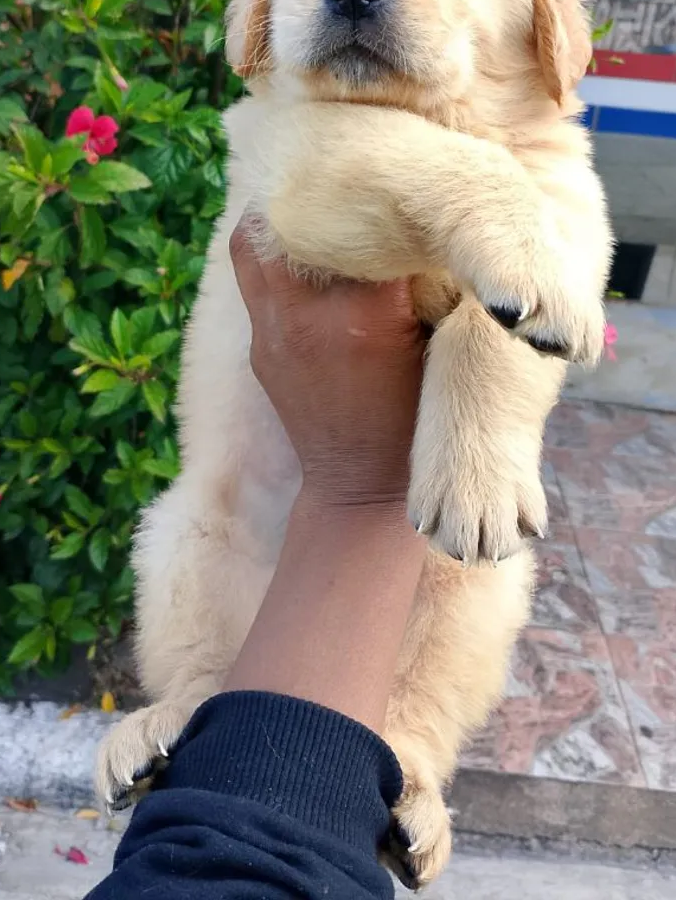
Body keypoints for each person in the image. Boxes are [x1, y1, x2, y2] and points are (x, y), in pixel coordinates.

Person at [87, 222, 430, 899]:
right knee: (193, 528)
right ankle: (194, 695)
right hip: (268, 492)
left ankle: (412, 753)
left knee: (472, 566)